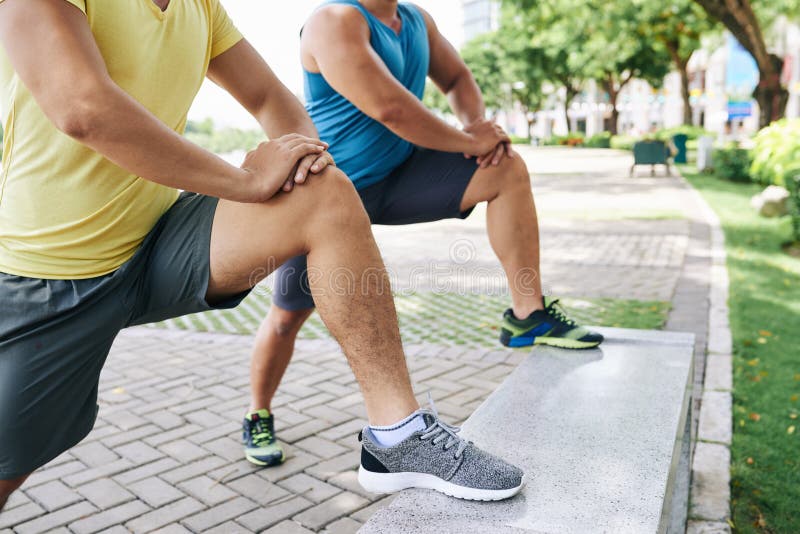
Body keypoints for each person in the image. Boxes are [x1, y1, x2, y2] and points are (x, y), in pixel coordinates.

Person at [0, 0, 525, 509]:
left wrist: (305, 161)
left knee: (325, 195)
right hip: (47, 274)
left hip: (158, 243)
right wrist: (246, 181)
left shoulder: (199, 7)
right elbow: (83, 109)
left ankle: (399, 433)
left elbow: (272, 98)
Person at [242, 0, 604, 467]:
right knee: (287, 317)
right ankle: (258, 411)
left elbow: (455, 79)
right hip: (330, 193)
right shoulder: (334, 21)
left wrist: (477, 127)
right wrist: (472, 141)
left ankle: (527, 314)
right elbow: (390, 108)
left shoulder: (415, 20)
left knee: (506, 170)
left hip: (400, 176)